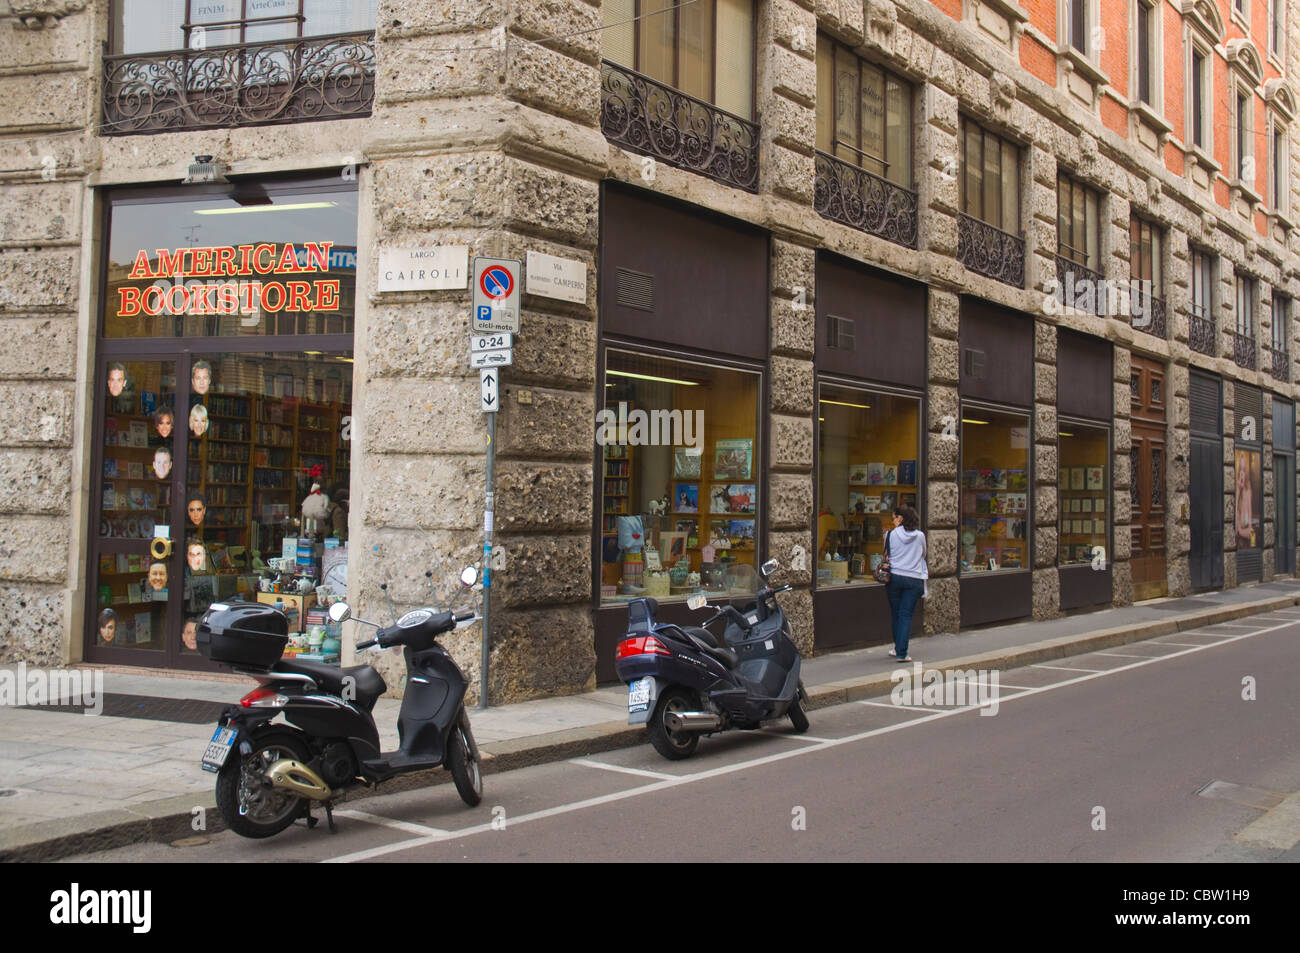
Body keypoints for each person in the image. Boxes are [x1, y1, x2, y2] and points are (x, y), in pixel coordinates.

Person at [883, 503, 928, 662]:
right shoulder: (920, 536)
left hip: (894, 577)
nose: (893, 520)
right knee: (905, 615)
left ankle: (897, 648)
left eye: (894, 517)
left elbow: (887, 552)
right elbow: (924, 553)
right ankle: (902, 652)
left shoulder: (890, 535)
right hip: (914, 578)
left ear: (900, 518)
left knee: (896, 613)